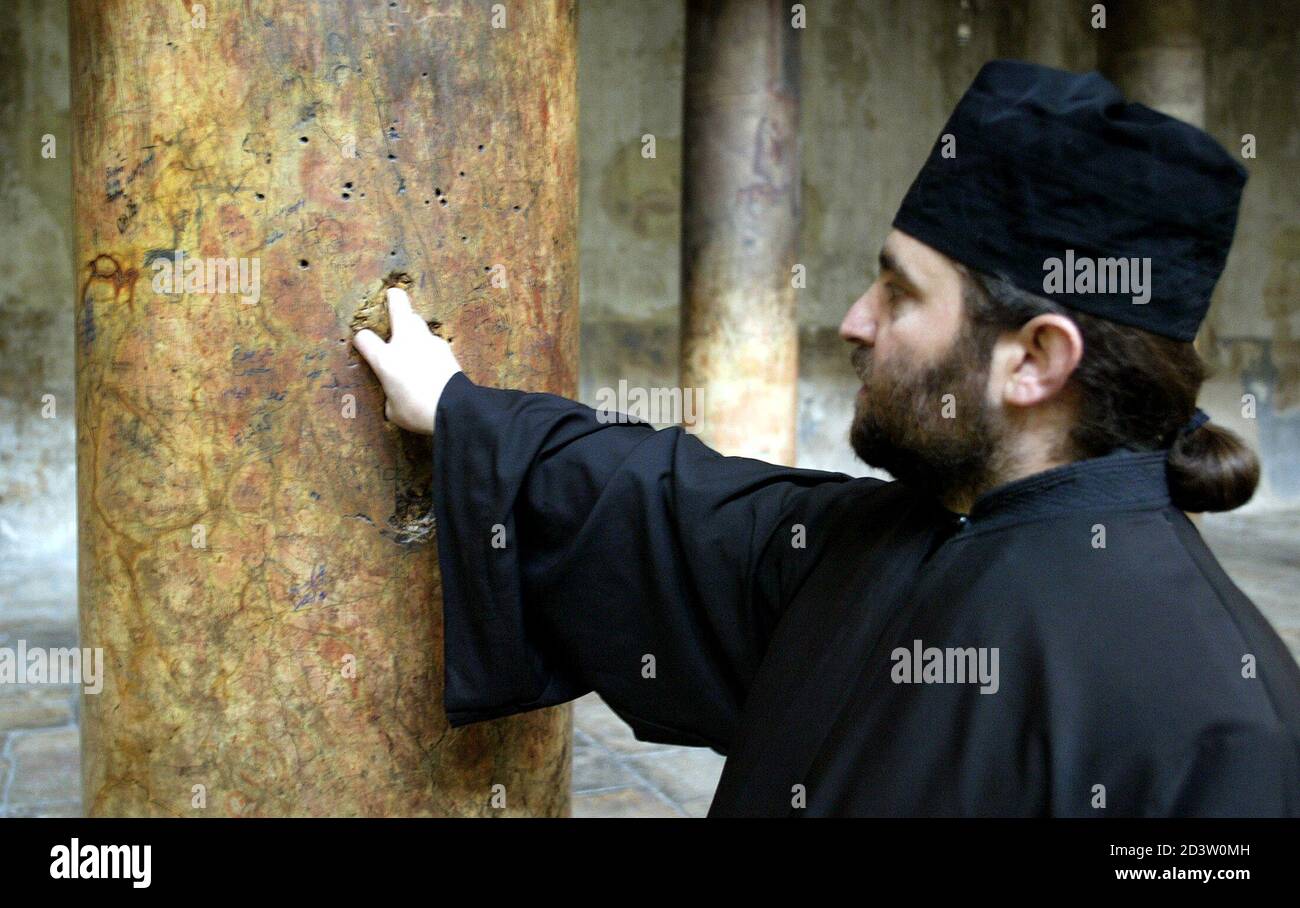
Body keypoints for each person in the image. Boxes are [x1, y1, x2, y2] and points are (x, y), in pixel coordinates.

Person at [352, 60, 1300, 816]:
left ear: (1036, 360)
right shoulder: (899, 535)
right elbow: (667, 500)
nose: (853, 321)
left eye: (898, 292)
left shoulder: (1225, 729)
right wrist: (462, 414)